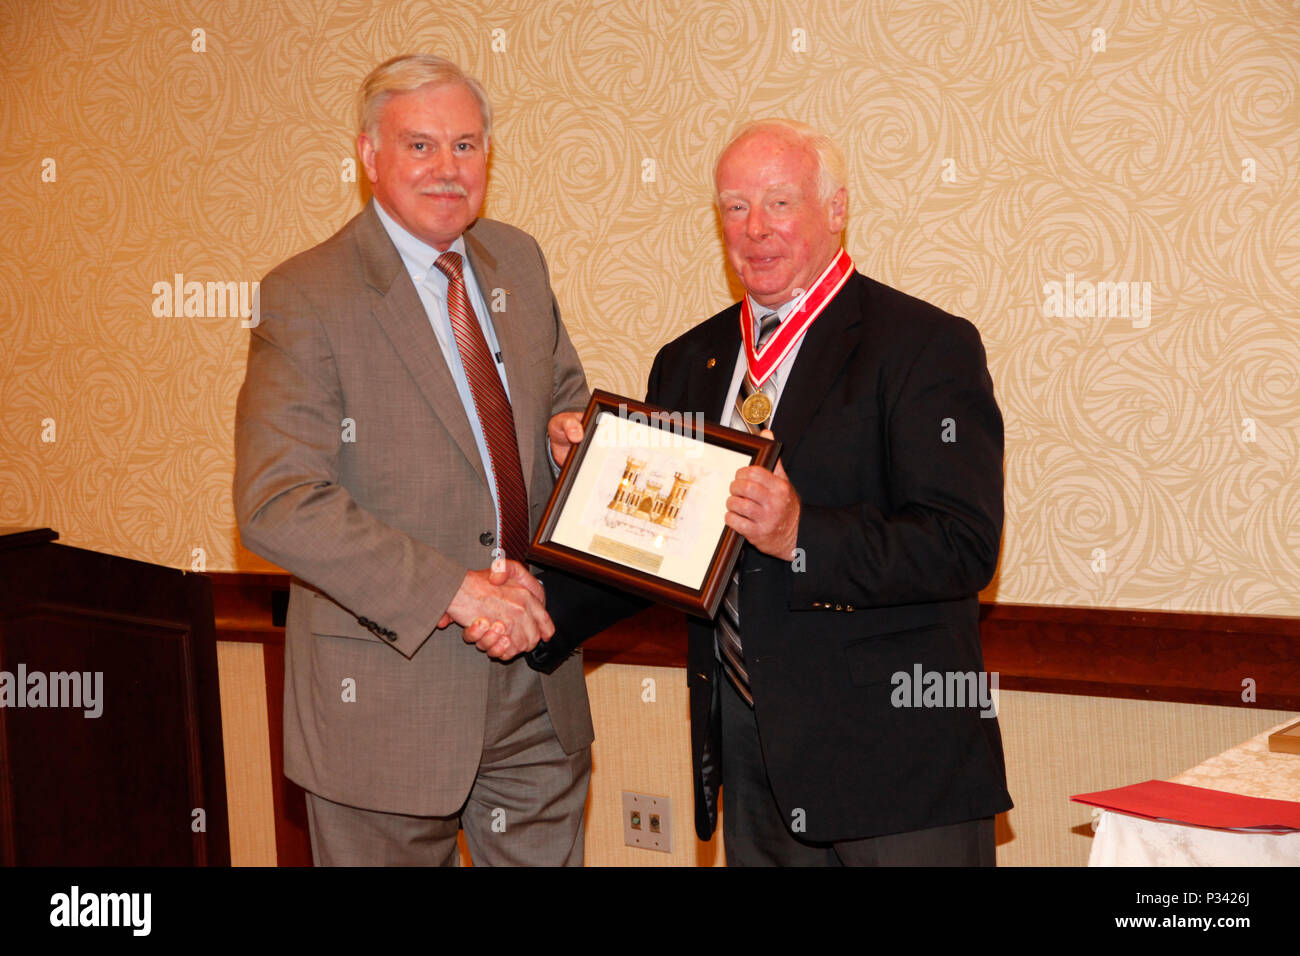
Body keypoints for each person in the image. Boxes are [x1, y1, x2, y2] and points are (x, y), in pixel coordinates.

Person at [543, 119, 1012, 865]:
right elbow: (665, 550)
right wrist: (548, 574)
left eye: (780, 203)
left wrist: (803, 536)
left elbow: (963, 546)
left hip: (899, 766)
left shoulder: (925, 345)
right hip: (752, 757)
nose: (755, 229)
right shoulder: (688, 361)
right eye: (735, 207)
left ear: (837, 209)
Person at [234, 54, 593, 866]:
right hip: (389, 696)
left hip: (536, 681)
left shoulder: (519, 262)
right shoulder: (306, 294)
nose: (447, 170)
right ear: (368, 155)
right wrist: (455, 594)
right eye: (420, 146)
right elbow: (278, 501)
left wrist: (569, 433)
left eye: (466, 146)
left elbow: (561, 395)